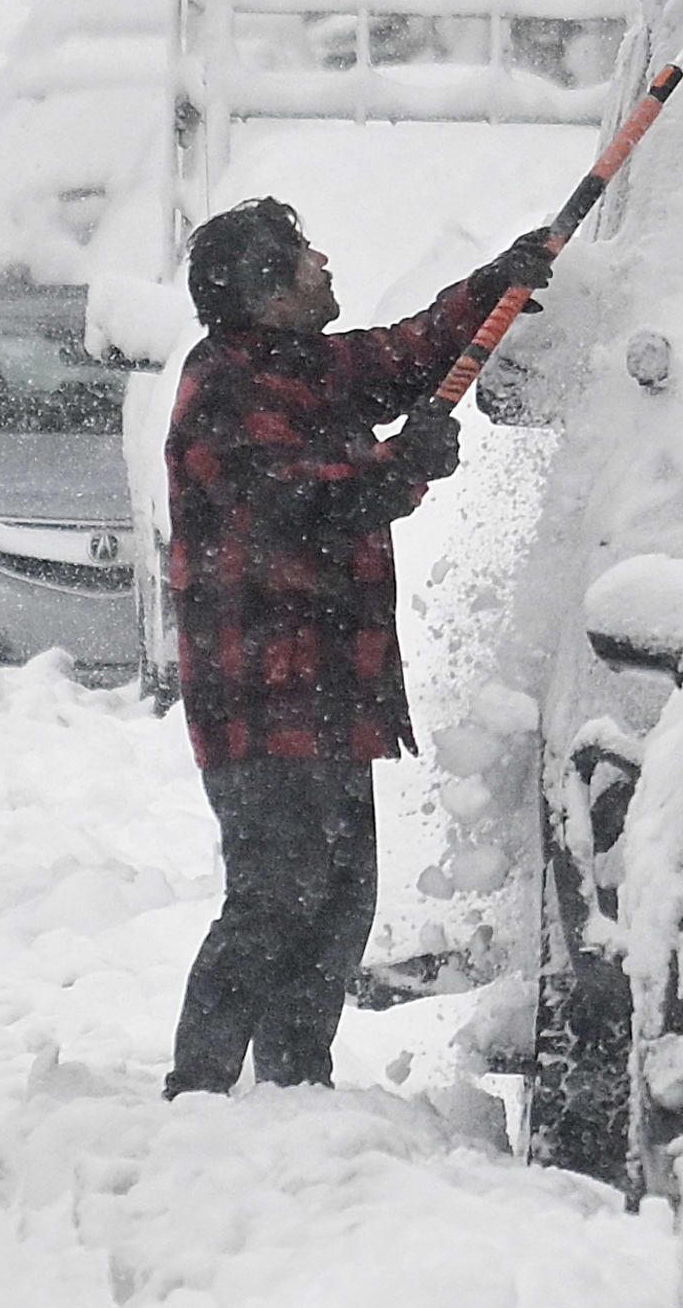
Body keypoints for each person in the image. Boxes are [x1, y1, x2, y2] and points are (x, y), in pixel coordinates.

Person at [161, 198, 557, 1096]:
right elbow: (306, 502)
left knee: (338, 903)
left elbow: (405, 356)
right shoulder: (224, 389)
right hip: (261, 699)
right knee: (273, 898)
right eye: (304, 256)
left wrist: (491, 286)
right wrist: (403, 461)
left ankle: (297, 1086)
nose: (324, 262)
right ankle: (197, 1091)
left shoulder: (300, 364)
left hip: (332, 691)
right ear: (264, 292)